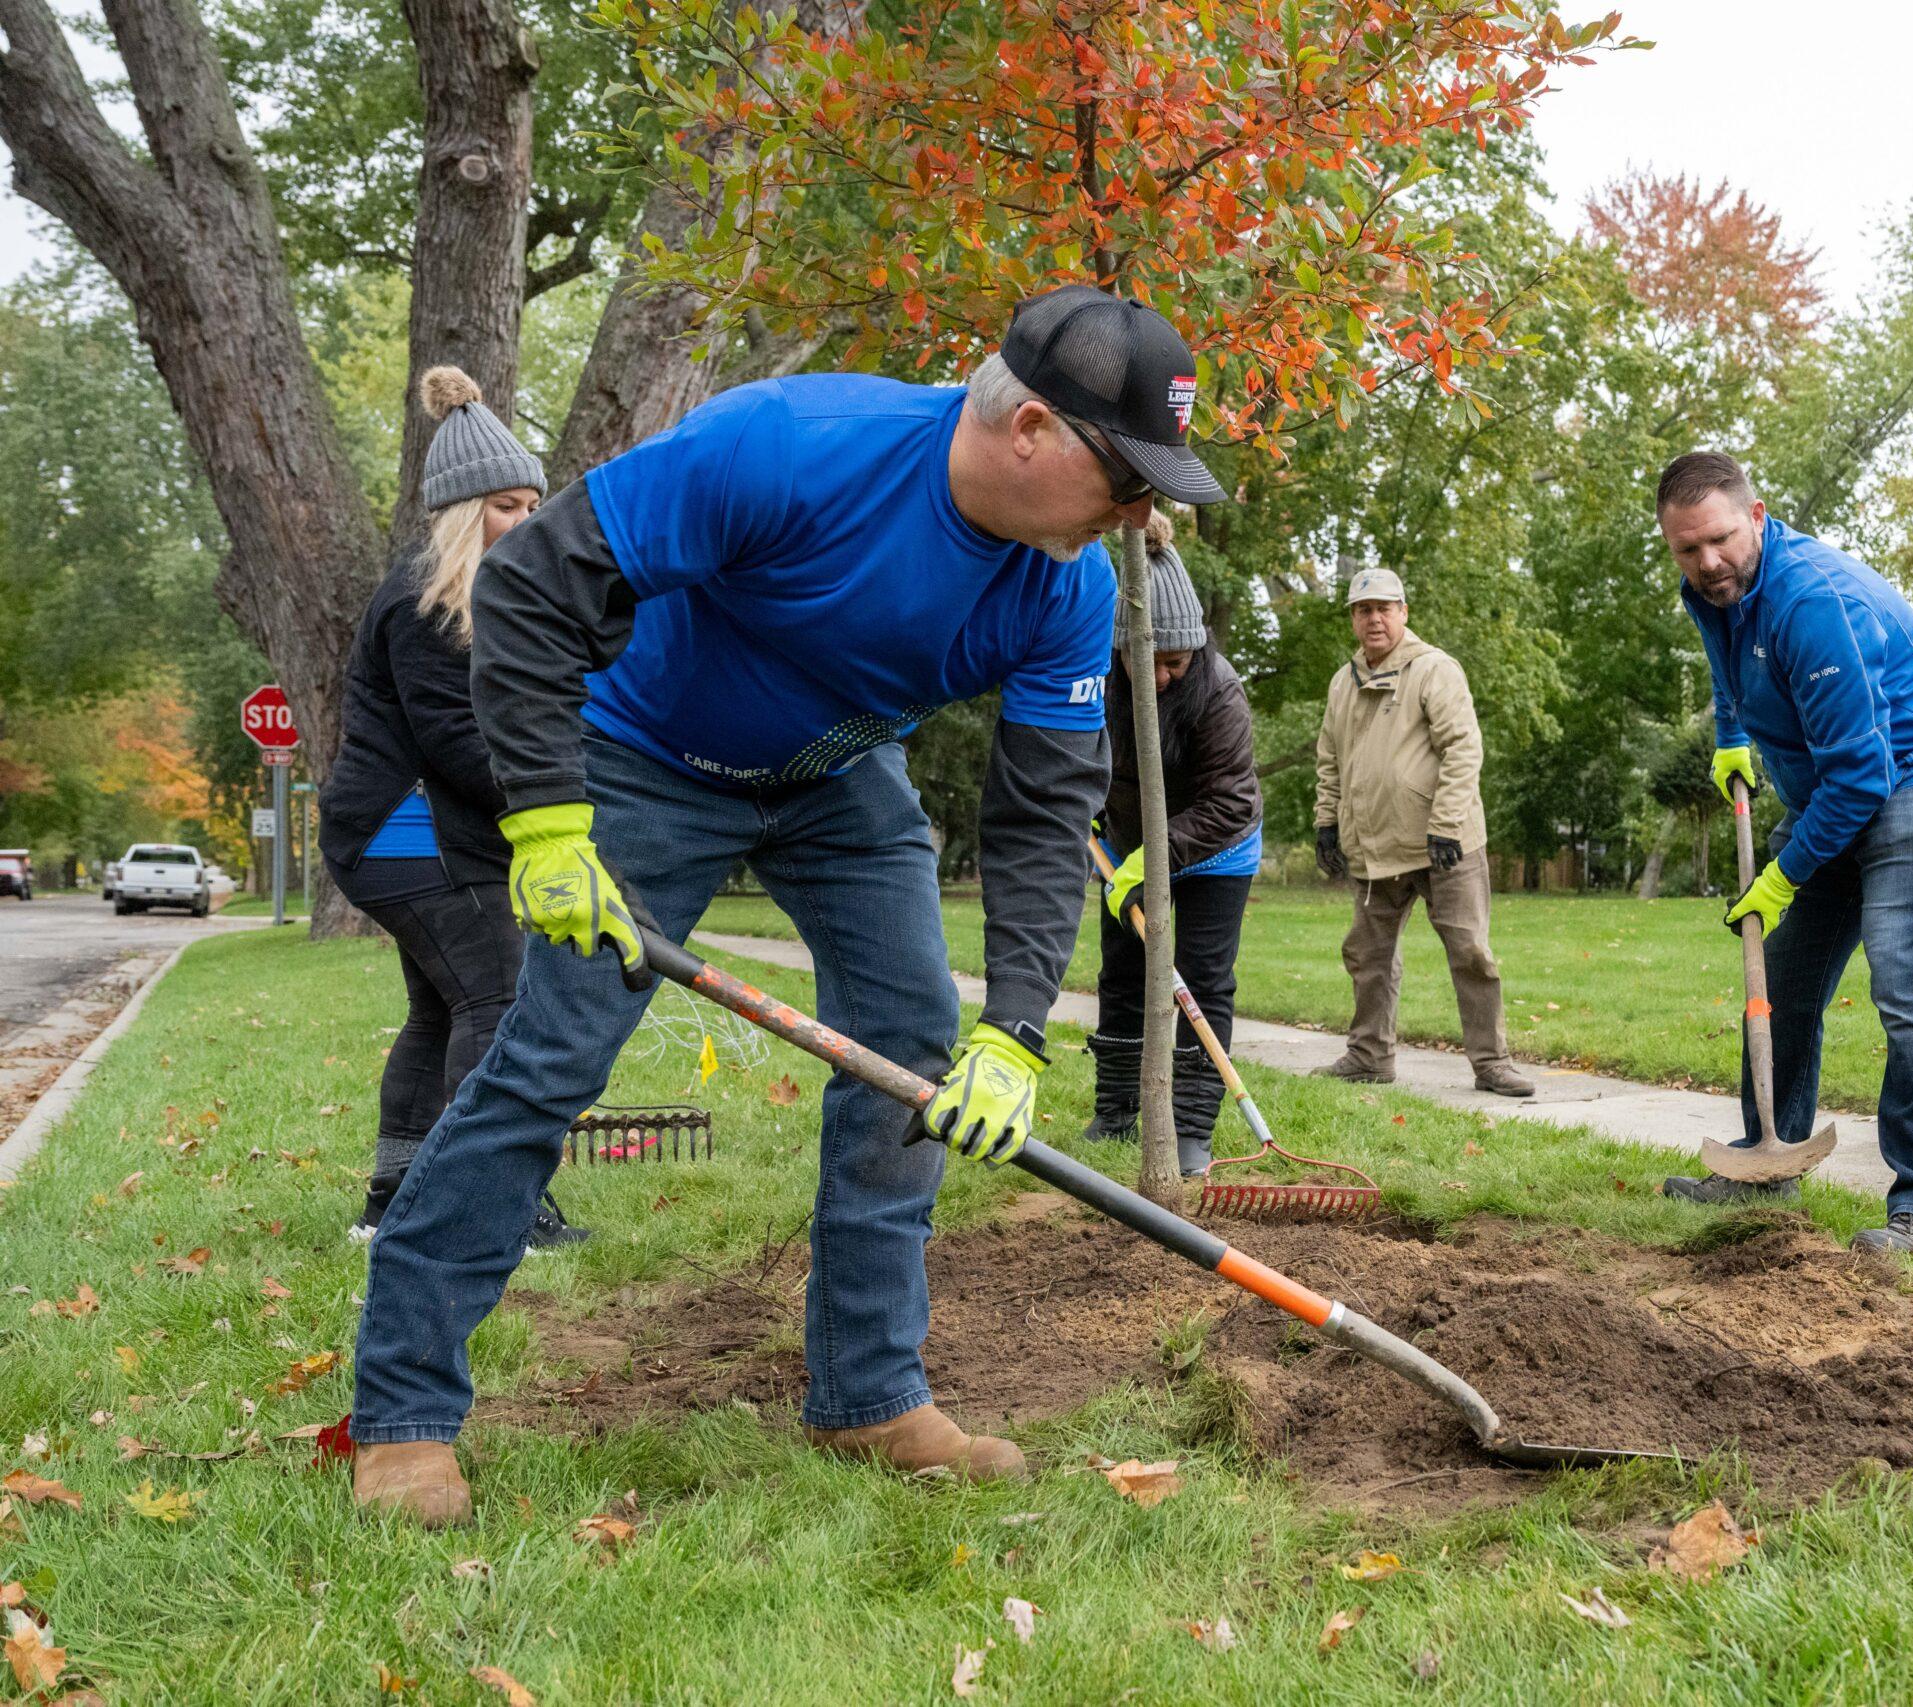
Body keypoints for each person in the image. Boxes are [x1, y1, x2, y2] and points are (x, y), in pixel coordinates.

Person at [349, 285, 1229, 1526]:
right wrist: (547, 826)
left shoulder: (1070, 593)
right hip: (647, 759)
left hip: (835, 780)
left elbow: (1041, 815)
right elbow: (531, 589)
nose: (1142, 515)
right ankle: (403, 1416)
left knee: (912, 1050)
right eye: (1127, 478)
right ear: (1030, 427)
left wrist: (1016, 1028)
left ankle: (867, 1392)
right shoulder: (789, 446)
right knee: (550, 1055)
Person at [1652, 451, 1913, 1253]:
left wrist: (1783, 875)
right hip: (1846, 784)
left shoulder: (1813, 600)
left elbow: (1862, 777)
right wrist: (1732, 736)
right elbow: (1727, 660)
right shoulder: (1713, 590)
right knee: (1784, 976)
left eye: (1720, 540)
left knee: (1903, 972)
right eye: (1687, 548)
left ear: (1759, 517)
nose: (1708, 562)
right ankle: (1766, 1163)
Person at [317, 368, 586, 1253]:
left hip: (427, 838)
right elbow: (461, 746)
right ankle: (484, 1207)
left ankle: (393, 1205)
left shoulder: (478, 601)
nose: (527, 520)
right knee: (496, 999)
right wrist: (569, 806)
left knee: (442, 1011)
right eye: (508, 506)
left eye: (532, 504)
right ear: (468, 512)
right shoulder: (429, 604)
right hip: (404, 835)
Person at [1311, 569, 1534, 1099]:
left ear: (1404, 612)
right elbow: (1330, 760)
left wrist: (1447, 823)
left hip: (1446, 845)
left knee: (1471, 953)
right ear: (1353, 619)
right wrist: (1326, 820)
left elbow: (1463, 749)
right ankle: (1369, 1056)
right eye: (1364, 610)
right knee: (1368, 955)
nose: (1375, 618)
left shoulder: (1435, 669)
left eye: (1385, 607)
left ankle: (1492, 1063)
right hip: (1374, 845)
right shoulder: (1344, 681)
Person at [1085, 513, 1262, 1174]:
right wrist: (1091, 814)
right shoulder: (1098, 682)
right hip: (1127, 849)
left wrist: (1150, 858)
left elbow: (1232, 801)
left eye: (1174, 661)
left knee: (1203, 979)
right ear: (1119, 648)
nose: (1160, 676)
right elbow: (1082, 760)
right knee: (1124, 972)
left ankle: (1189, 1127)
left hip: (1217, 845)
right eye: (1144, 659)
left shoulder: (1219, 694)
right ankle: (1116, 1111)